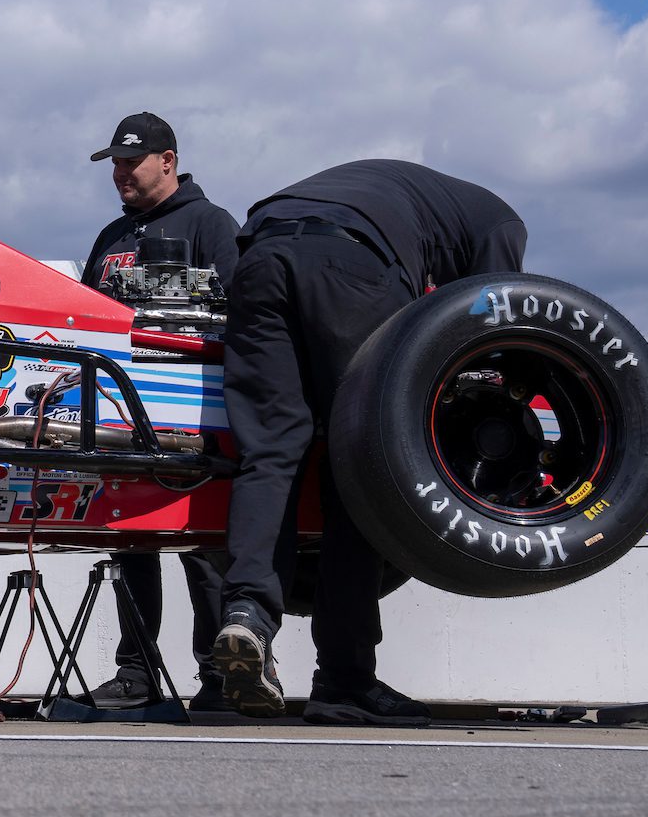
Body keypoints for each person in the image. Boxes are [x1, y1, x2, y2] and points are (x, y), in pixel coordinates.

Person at [211, 159, 526, 727]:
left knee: (271, 448)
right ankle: (344, 680)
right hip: (350, 264)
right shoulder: (501, 221)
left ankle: (247, 613)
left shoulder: (404, 189)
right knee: (359, 468)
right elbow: (486, 321)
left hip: (259, 254)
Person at [77, 112, 235, 711]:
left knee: (203, 542)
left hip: (195, 415)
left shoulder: (211, 223)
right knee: (130, 539)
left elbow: (244, 307)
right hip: (123, 413)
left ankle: (220, 676)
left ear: (168, 159)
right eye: (114, 162)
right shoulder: (109, 238)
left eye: (130, 161)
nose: (119, 172)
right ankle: (137, 672)